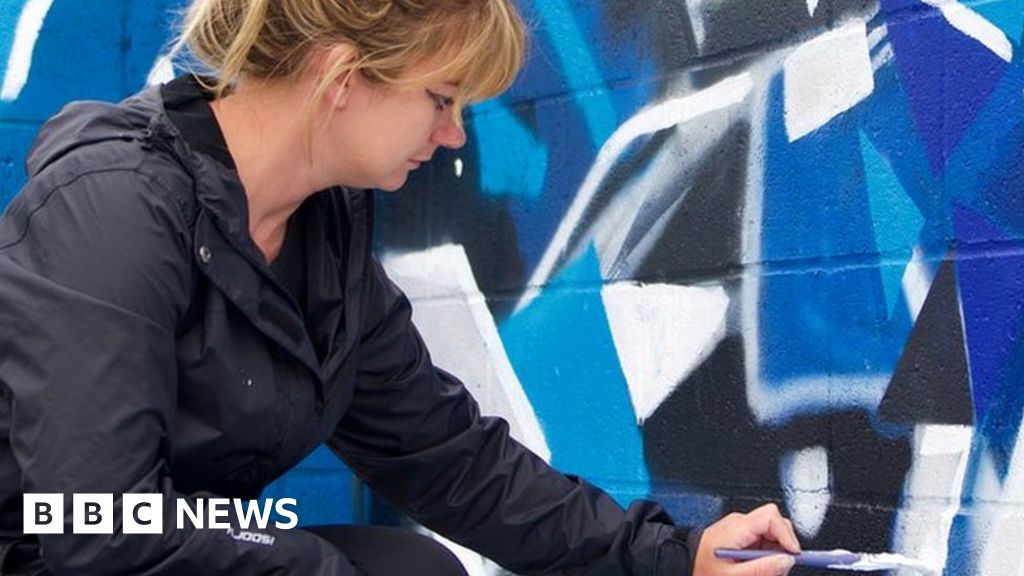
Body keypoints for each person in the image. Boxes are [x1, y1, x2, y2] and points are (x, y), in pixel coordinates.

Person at [0, 0, 801, 574]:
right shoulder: (114, 207)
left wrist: (678, 555)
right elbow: (93, 524)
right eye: (442, 99)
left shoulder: (324, 240)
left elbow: (450, 459)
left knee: (409, 561)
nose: (453, 134)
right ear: (343, 78)